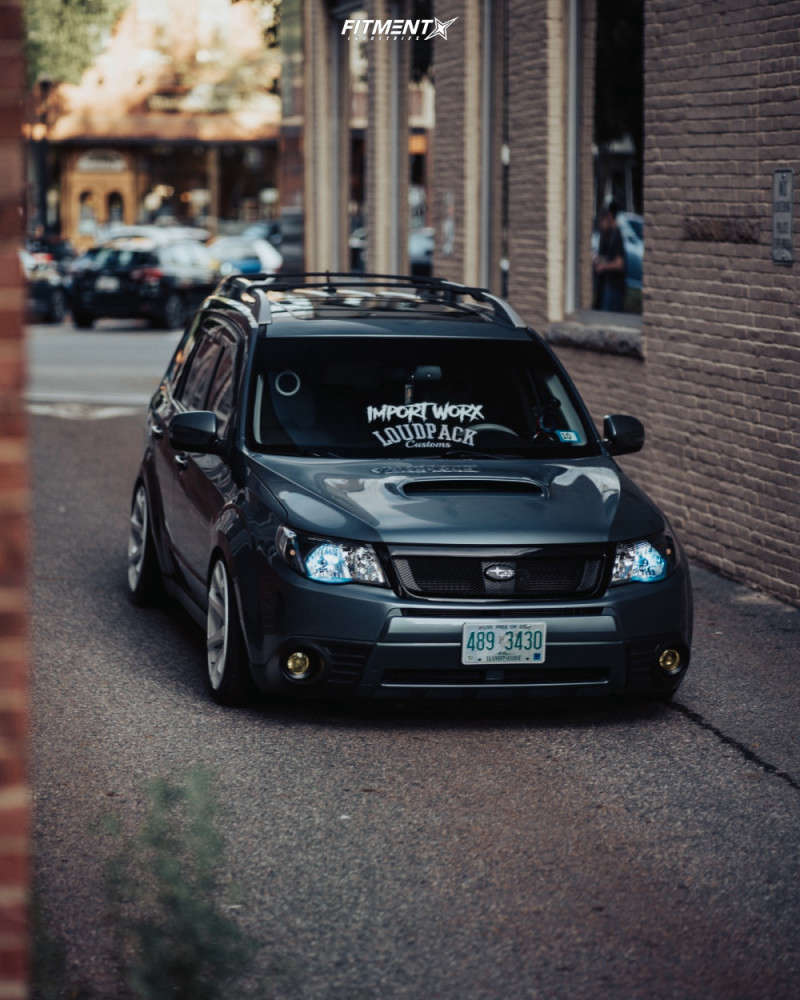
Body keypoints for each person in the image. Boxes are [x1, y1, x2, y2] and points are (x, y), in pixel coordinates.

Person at [594, 201, 626, 311]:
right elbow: (604, 256)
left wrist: (604, 266)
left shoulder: (617, 235)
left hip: (614, 286)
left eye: (602, 219)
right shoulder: (604, 235)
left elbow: (619, 264)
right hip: (604, 284)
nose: (600, 223)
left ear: (609, 217)